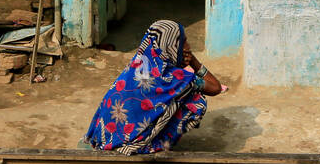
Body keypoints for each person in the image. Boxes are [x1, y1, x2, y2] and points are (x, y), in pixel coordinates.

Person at [84, 20, 225, 155]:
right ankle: (151, 144)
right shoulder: (176, 79)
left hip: (103, 138)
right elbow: (215, 87)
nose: (188, 47)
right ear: (169, 46)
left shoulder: (138, 65)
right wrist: (194, 61)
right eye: (183, 42)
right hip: (123, 144)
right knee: (195, 100)